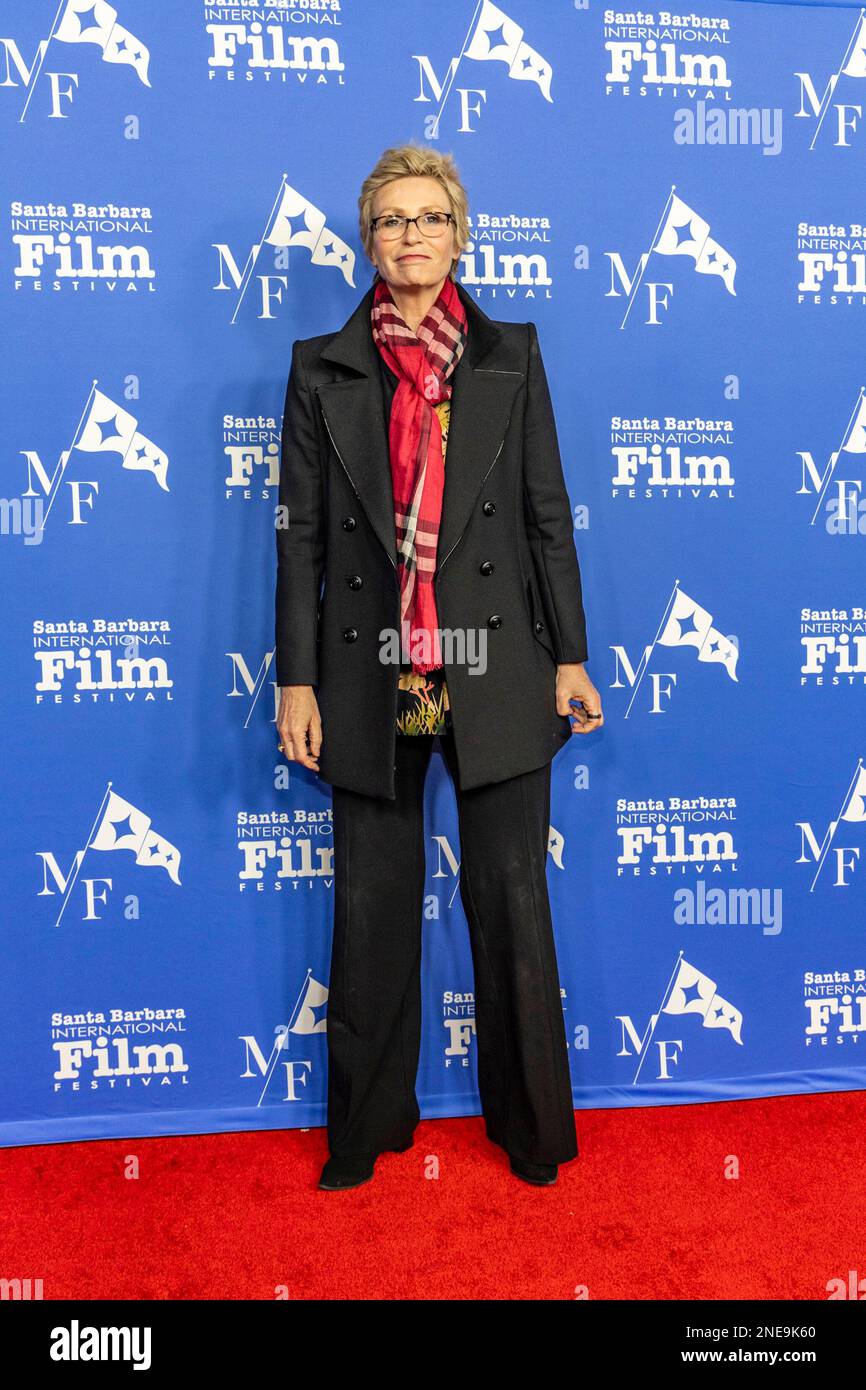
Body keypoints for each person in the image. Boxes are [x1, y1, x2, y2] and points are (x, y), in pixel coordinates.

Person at [275, 142, 603, 1191]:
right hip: (378, 666)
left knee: (510, 898)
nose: (409, 235)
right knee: (372, 901)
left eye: (428, 218)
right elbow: (301, 543)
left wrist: (572, 657)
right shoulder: (319, 368)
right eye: (389, 220)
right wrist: (295, 679)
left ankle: (531, 1130)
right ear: (366, 242)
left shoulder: (511, 355)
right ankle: (366, 1130)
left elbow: (547, 516)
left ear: (459, 235)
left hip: (498, 662)